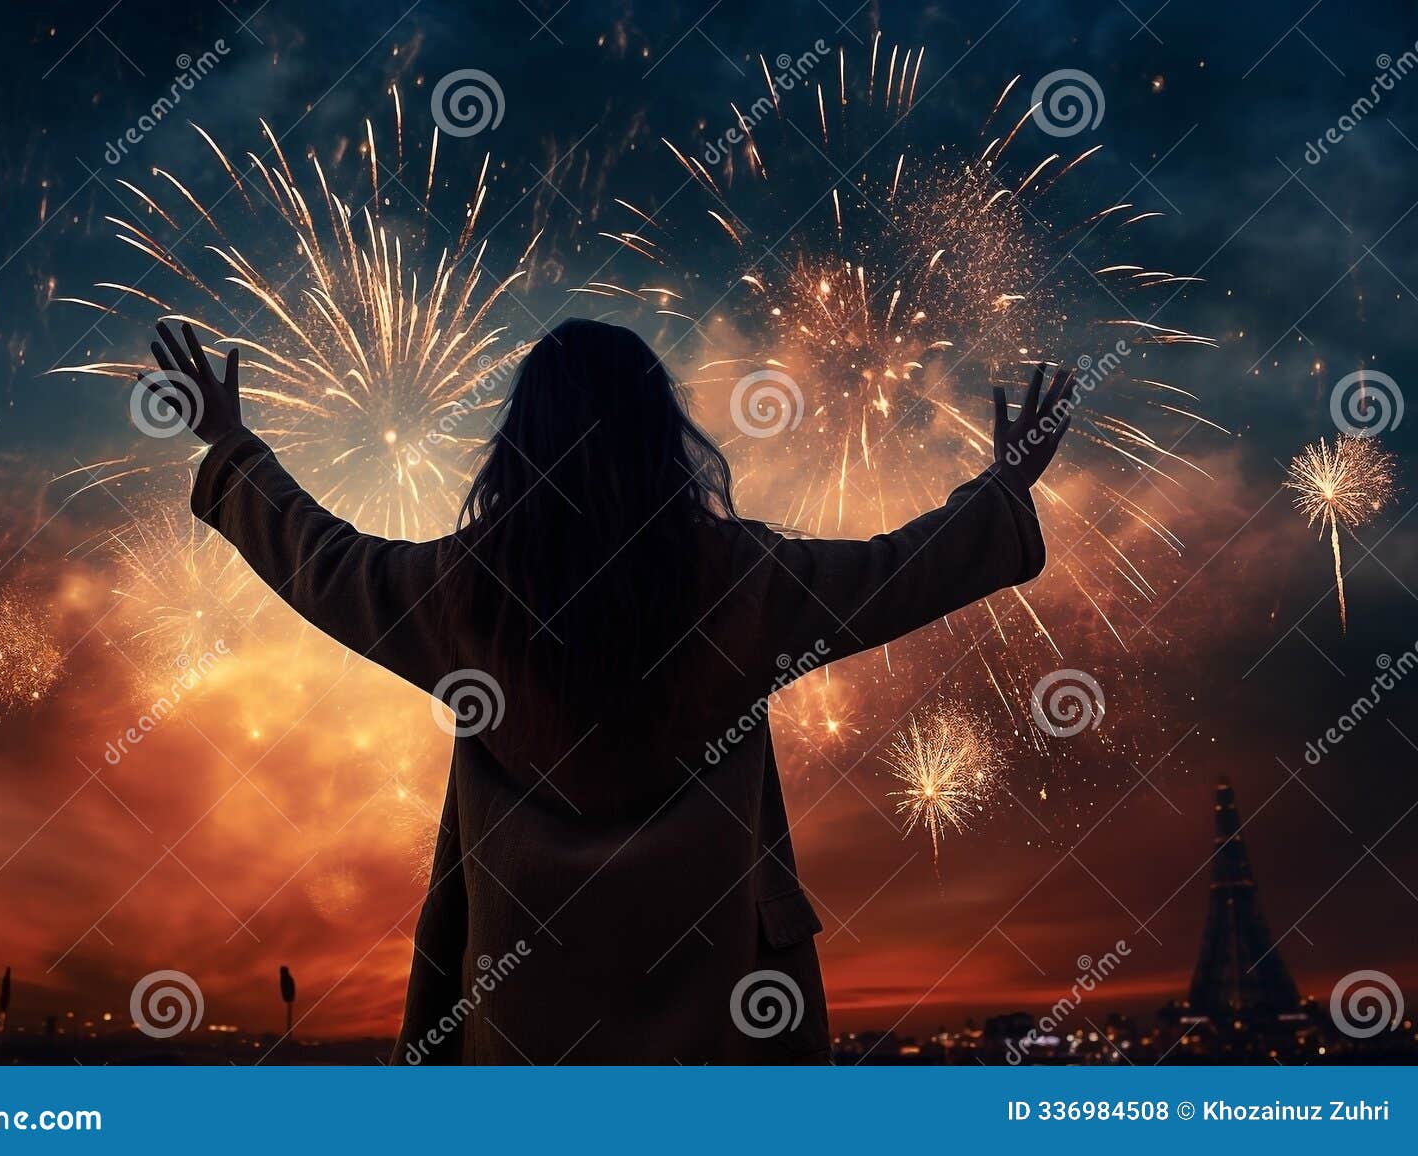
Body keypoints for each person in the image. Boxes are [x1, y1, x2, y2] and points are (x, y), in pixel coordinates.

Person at [146, 317, 1076, 1064]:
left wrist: (230, 446)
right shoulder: (742, 582)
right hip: (724, 1023)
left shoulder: (462, 597)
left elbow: (325, 561)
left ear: (521, 444)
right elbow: (896, 573)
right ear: (660, 433)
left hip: (522, 1032)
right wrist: (1002, 488)